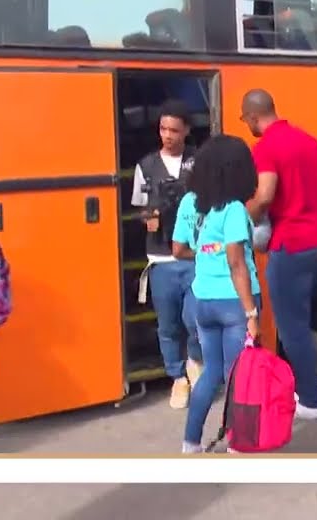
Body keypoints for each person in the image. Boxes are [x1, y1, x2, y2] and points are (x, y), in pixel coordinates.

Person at [241, 89, 317, 420]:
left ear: (253, 117)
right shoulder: (309, 140)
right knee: (305, 322)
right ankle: (309, 391)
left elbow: (264, 196)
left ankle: (310, 400)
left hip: (289, 245)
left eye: (245, 120)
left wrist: (240, 217)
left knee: (292, 327)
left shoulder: (265, 147)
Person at [171, 135, 264, 453]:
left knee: (210, 372)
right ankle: (240, 444)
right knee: (238, 376)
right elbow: (236, 262)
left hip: (203, 299)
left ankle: (191, 442)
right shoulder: (234, 209)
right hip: (234, 303)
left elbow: (179, 248)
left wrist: (204, 254)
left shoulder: (189, 204)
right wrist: (251, 313)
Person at [131, 99, 202, 409]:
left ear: (186, 130)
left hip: (194, 256)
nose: (168, 135)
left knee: (196, 320)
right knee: (168, 325)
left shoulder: (199, 162)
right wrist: (149, 217)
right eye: (163, 129)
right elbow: (138, 208)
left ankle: (196, 366)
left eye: (174, 129)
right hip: (160, 259)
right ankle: (177, 378)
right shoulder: (146, 166)